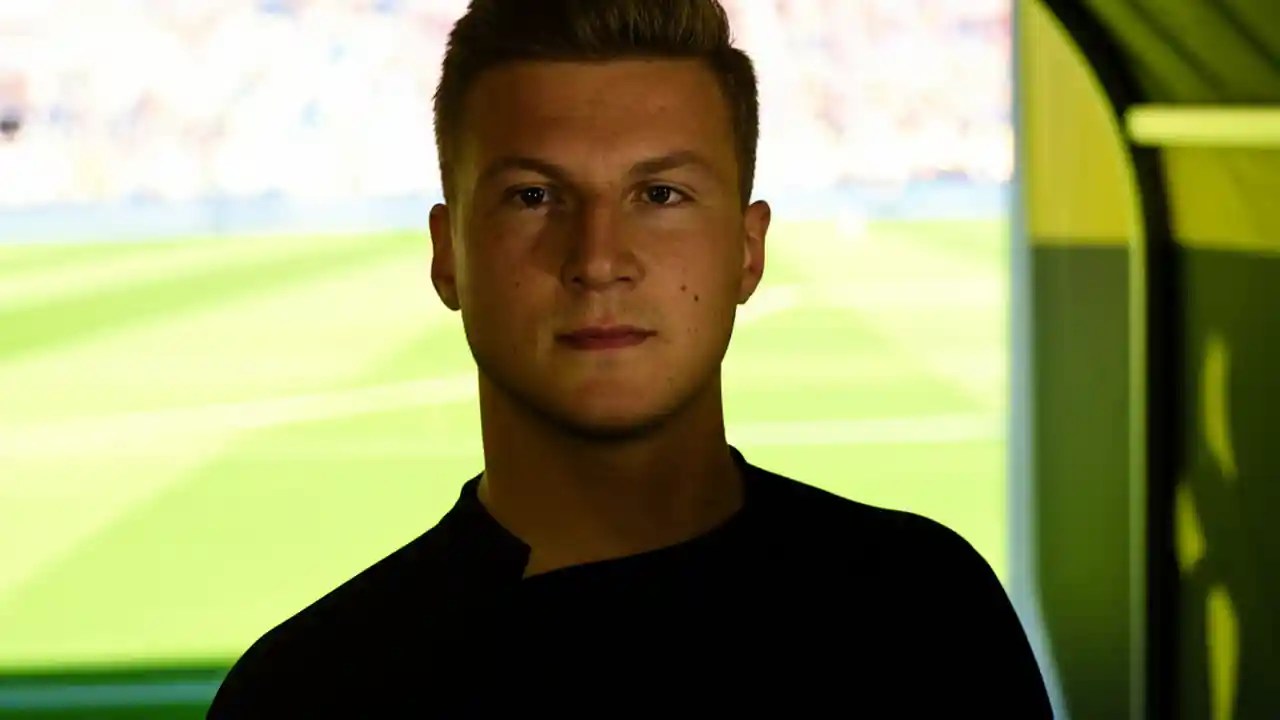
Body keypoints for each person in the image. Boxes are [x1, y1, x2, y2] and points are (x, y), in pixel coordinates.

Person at [207, 0, 1053, 716]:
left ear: (747, 252)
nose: (598, 256)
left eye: (660, 195)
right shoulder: (309, 692)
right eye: (534, 196)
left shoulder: (922, 611)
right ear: (449, 255)